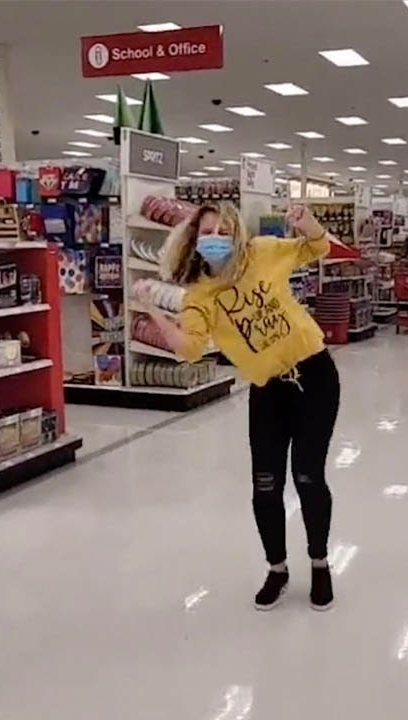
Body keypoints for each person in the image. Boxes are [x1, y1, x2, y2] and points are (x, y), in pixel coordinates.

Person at [145, 204, 341, 612]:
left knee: (308, 476)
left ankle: (319, 563)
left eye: (223, 229)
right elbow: (190, 350)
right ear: (194, 240)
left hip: (314, 377)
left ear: (237, 233)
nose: (215, 237)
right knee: (265, 485)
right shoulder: (199, 295)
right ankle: (277, 569)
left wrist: (308, 225)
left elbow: (318, 247)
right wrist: (152, 312)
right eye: (206, 231)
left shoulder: (264, 252)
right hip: (268, 390)